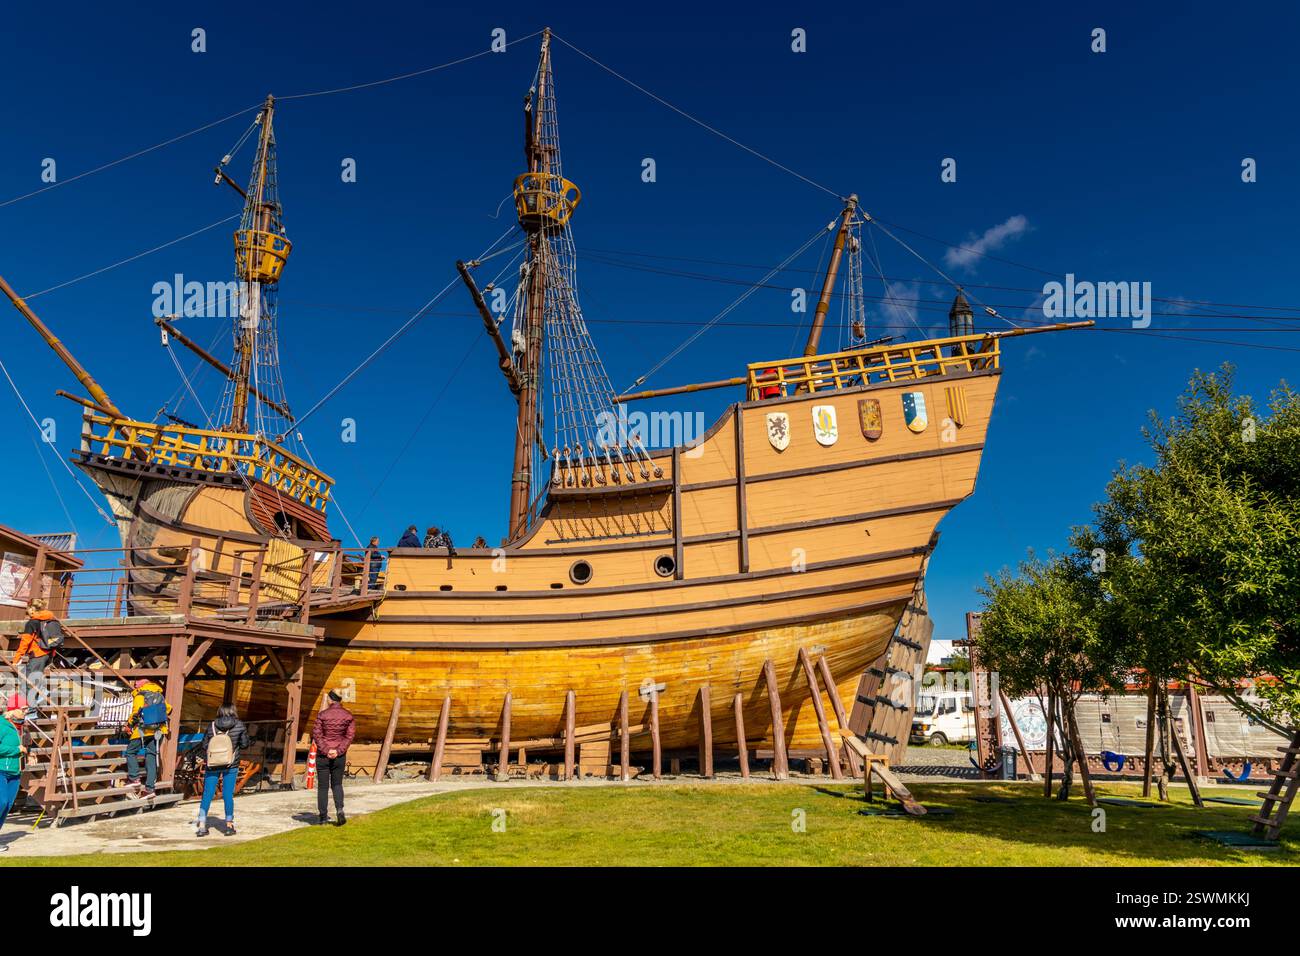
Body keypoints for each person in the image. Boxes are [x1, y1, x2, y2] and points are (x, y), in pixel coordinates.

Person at [194, 704, 251, 837]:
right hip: (231, 764)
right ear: (234, 711)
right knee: (227, 795)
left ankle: (202, 825)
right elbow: (244, 744)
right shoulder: (239, 725)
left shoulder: (212, 725)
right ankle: (229, 825)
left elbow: (204, 745)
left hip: (213, 764)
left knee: (207, 794)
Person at [311, 689, 355, 826]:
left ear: (330, 699)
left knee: (323, 786)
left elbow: (317, 734)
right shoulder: (348, 716)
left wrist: (326, 750)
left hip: (323, 755)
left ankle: (323, 816)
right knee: (337, 784)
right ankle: (340, 810)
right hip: (339, 755)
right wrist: (338, 750)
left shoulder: (322, 715)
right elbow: (349, 736)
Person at [125, 678, 171, 798]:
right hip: (158, 731)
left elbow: (136, 712)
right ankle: (150, 789)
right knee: (151, 757)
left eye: (137, 682)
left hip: (143, 730)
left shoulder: (140, 694)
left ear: (142, 684)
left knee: (130, 752)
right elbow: (169, 708)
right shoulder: (158, 694)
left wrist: (129, 725)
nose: (135, 684)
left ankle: (134, 779)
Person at [14, 600, 61, 705]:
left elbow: (25, 642)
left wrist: (16, 658)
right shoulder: (49, 619)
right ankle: (39, 697)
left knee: (29, 682)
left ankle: (31, 709)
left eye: (28, 610)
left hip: (38, 654)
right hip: (49, 654)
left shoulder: (32, 623)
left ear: (32, 609)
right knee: (35, 678)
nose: (28, 613)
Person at [0, 694, 27, 850]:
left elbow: (23, 747)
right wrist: (15, 750)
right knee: (1, 802)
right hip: (1, 769)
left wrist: (28, 754)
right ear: (13, 709)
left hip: (15, 773)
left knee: (8, 805)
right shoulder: (1, 725)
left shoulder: (21, 726)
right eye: (23, 708)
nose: (25, 711)